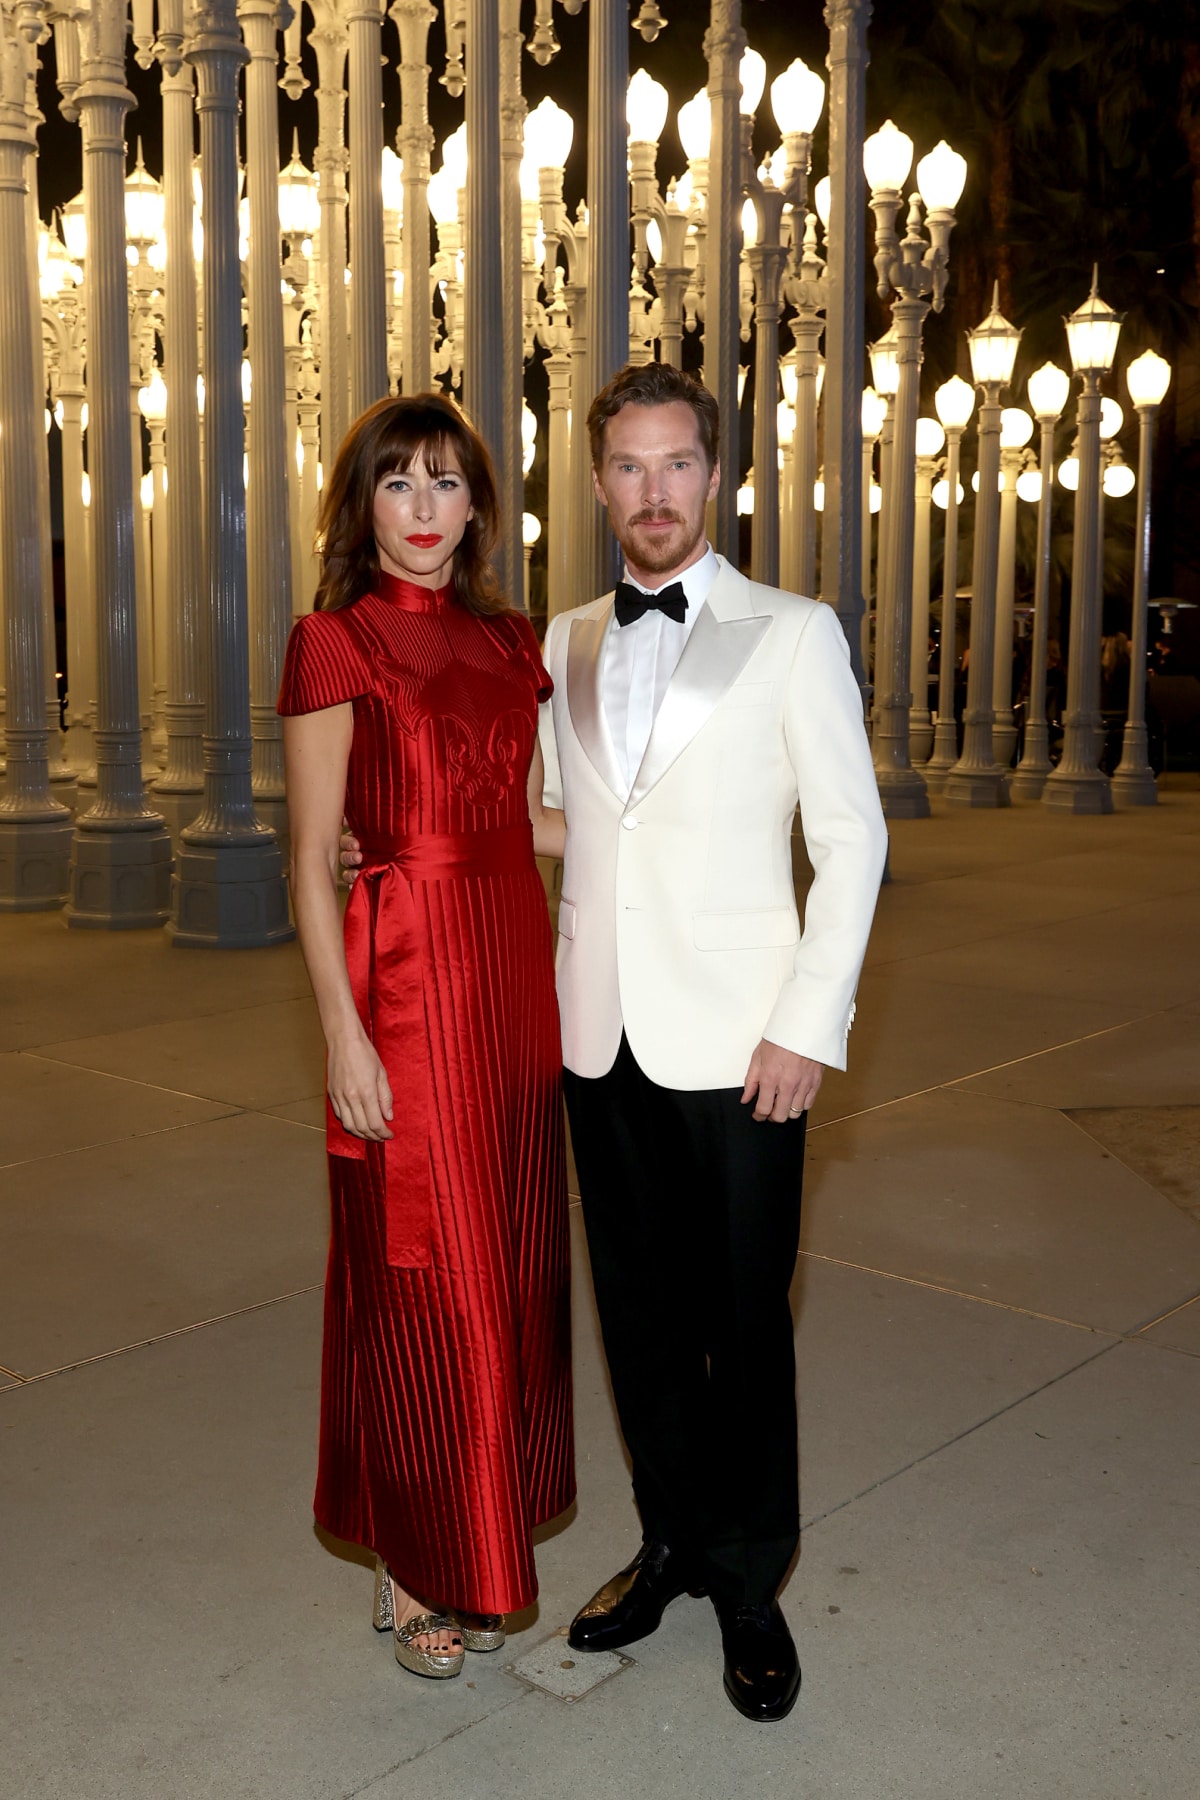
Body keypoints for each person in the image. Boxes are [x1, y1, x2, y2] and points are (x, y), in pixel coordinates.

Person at [540, 362, 887, 1723]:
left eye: (676, 463)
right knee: (637, 1320)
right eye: (627, 467)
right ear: (598, 482)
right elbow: (567, 824)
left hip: (747, 1047)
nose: (653, 492)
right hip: (601, 1033)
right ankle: (672, 1537)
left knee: (743, 1327)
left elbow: (850, 840)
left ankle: (750, 1580)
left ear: (716, 473)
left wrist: (808, 1023)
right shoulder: (565, 640)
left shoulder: (792, 632)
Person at [279, 393, 574, 1684]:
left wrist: (700, 823)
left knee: (503, 1275)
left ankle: (481, 1534)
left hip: (512, 989)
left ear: (478, 507)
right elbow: (307, 861)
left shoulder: (513, 646)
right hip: (400, 990)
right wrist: (341, 1038)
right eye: (396, 484)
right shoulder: (333, 643)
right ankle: (414, 1565)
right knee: (419, 1284)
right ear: (364, 506)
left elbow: (533, 823)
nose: (421, 509)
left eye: (445, 484)